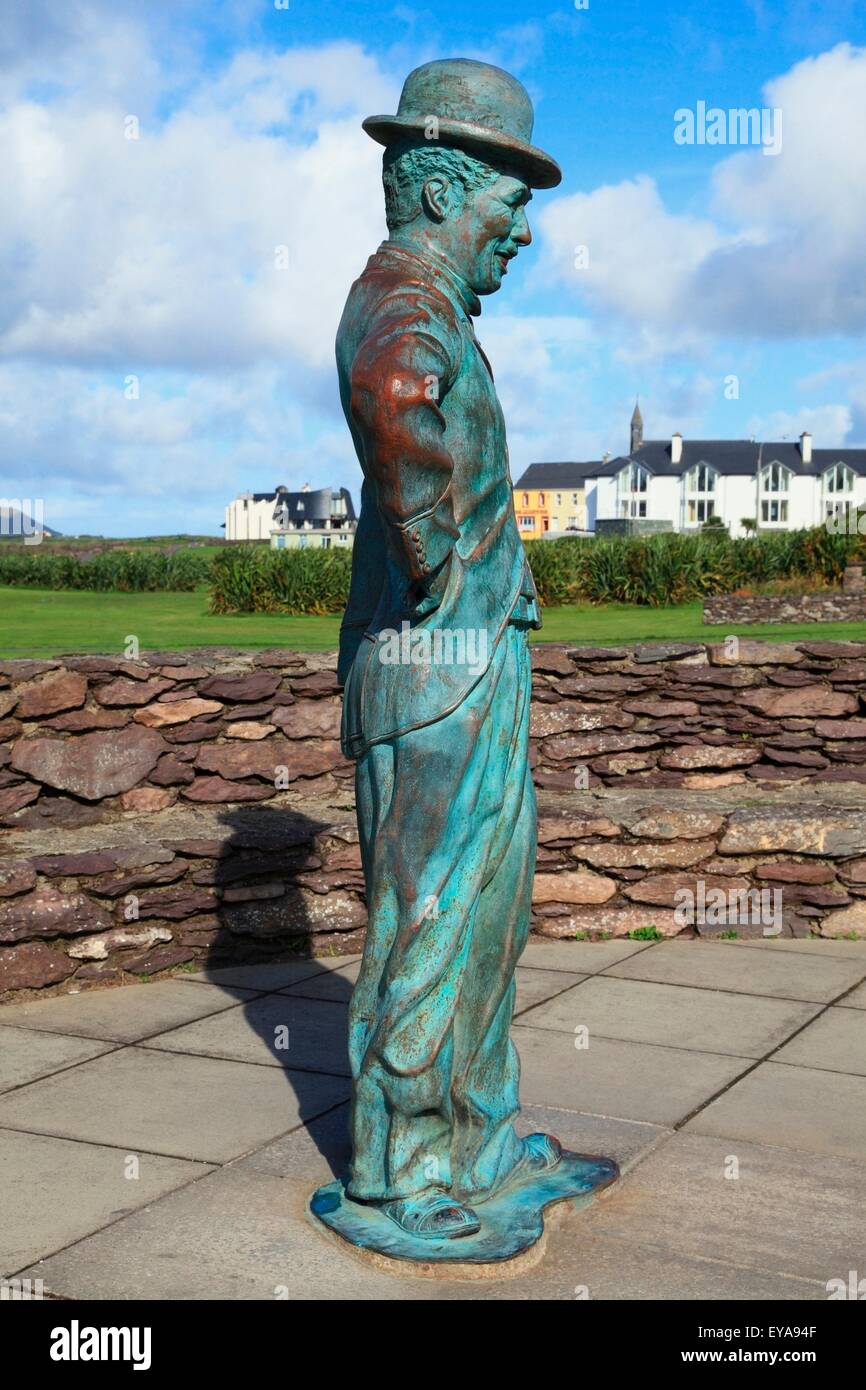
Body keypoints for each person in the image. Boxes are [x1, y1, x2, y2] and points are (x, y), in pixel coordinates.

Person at [335, 58, 564, 1241]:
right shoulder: (406, 307)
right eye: (506, 198)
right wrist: (434, 561)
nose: (520, 228)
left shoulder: (434, 309)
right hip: (436, 661)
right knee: (429, 914)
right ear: (436, 185)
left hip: (469, 653)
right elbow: (390, 399)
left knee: (486, 905)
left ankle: (478, 1133)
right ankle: (403, 1163)